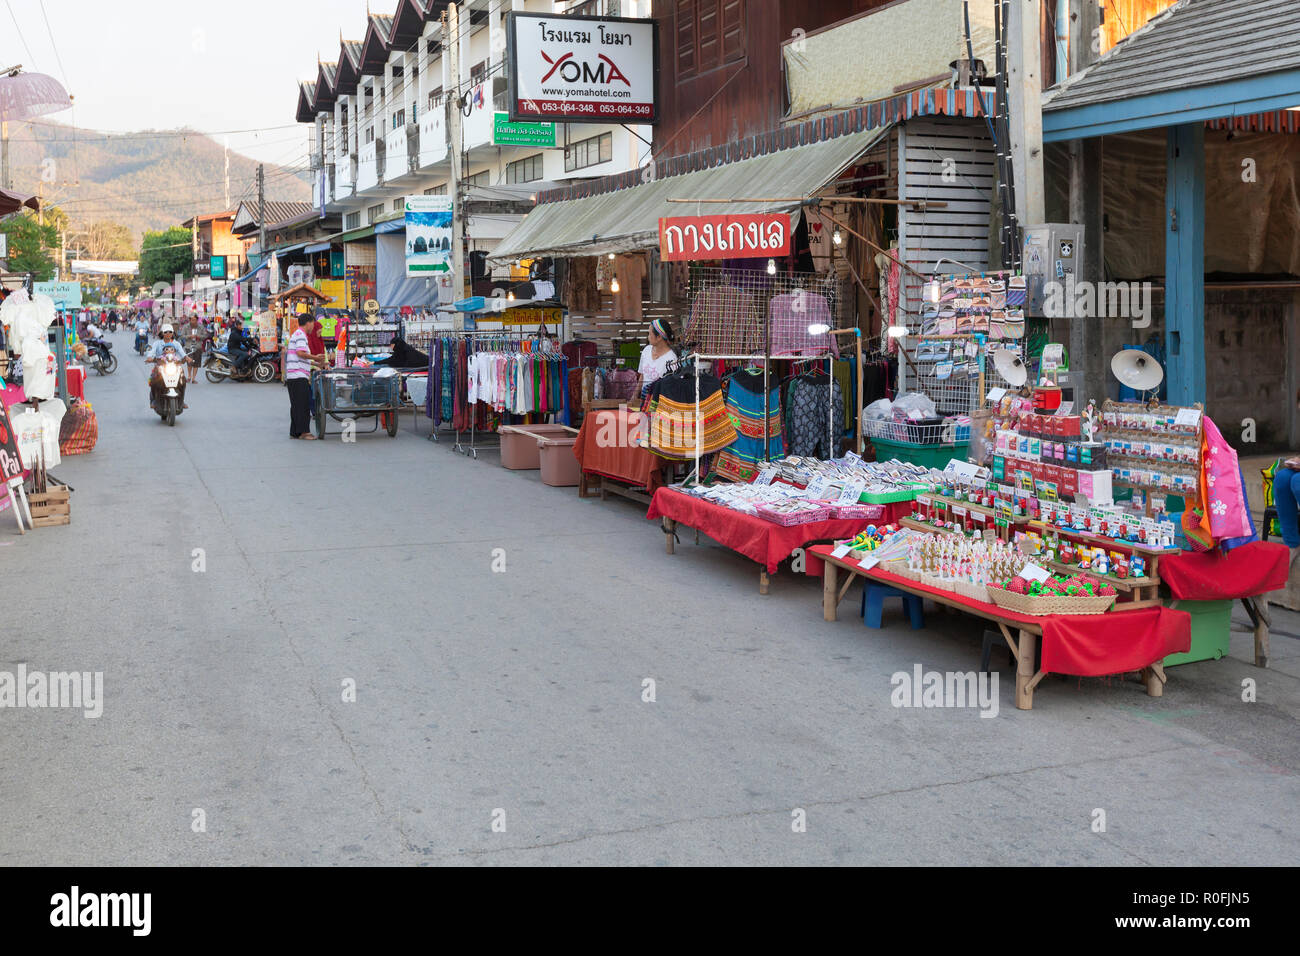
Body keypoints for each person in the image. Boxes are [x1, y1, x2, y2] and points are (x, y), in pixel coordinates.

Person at [285, 312, 326, 439]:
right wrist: (315, 357)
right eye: (313, 323)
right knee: (303, 405)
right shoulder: (301, 335)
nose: (313, 326)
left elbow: (301, 357)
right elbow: (301, 353)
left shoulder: (297, 334)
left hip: (294, 375)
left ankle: (295, 432)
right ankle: (304, 432)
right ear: (308, 323)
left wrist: (315, 363)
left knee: (296, 405)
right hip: (298, 375)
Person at [146, 323, 191, 409]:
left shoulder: (176, 344)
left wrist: (187, 358)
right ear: (162, 333)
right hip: (160, 367)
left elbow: (182, 353)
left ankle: (181, 401)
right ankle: (153, 400)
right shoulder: (157, 343)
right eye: (166, 332)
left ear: (173, 333)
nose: (168, 334)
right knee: (153, 381)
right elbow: (152, 352)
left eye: (170, 332)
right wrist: (149, 357)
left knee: (183, 381)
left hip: (174, 367)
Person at [638, 317, 677, 393]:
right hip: (644, 399)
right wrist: (634, 397)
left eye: (649, 334)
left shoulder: (672, 360)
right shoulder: (646, 350)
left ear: (659, 337)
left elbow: (672, 388)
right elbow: (642, 376)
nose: (648, 337)